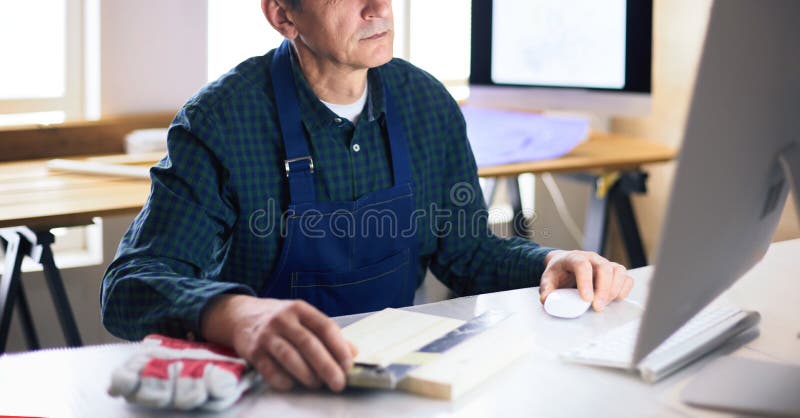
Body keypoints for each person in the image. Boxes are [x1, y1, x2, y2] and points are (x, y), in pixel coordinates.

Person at [101, 0, 634, 395]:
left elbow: (468, 253)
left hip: (399, 387)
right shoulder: (221, 120)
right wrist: (238, 316)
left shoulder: (425, 103)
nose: (379, 8)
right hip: (271, 393)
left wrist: (550, 261)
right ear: (283, 16)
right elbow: (130, 287)